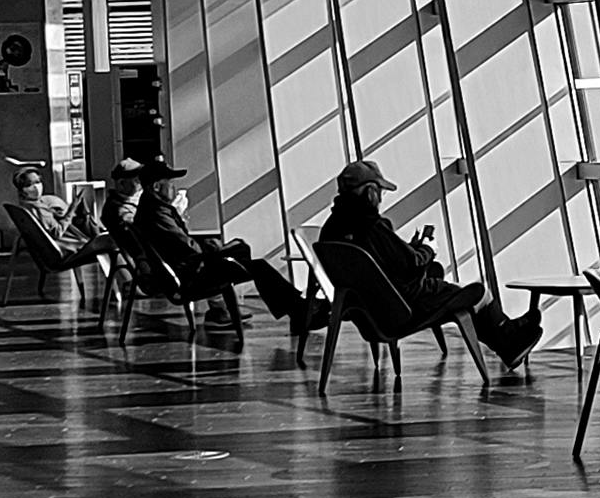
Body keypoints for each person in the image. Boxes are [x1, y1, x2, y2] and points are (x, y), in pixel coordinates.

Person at [316, 159, 542, 367]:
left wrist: (409, 249)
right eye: (380, 192)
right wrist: (428, 249)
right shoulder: (372, 226)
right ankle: (509, 339)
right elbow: (411, 265)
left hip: (370, 314)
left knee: (441, 277)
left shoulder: (331, 230)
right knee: (478, 293)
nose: (381, 198)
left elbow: (385, 261)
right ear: (370, 192)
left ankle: (508, 333)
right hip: (405, 308)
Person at [108, 155, 324, 342]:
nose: (173, 187)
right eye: (170, 183)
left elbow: (180, 244)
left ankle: (299, 311)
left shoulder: (153, 209)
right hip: (191, 274)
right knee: (256, 265)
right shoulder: (157, 213)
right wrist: (215, 249)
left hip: (186, 269)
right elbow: (187, 248)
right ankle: (300, 312)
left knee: (244, 256)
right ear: (157, 187)